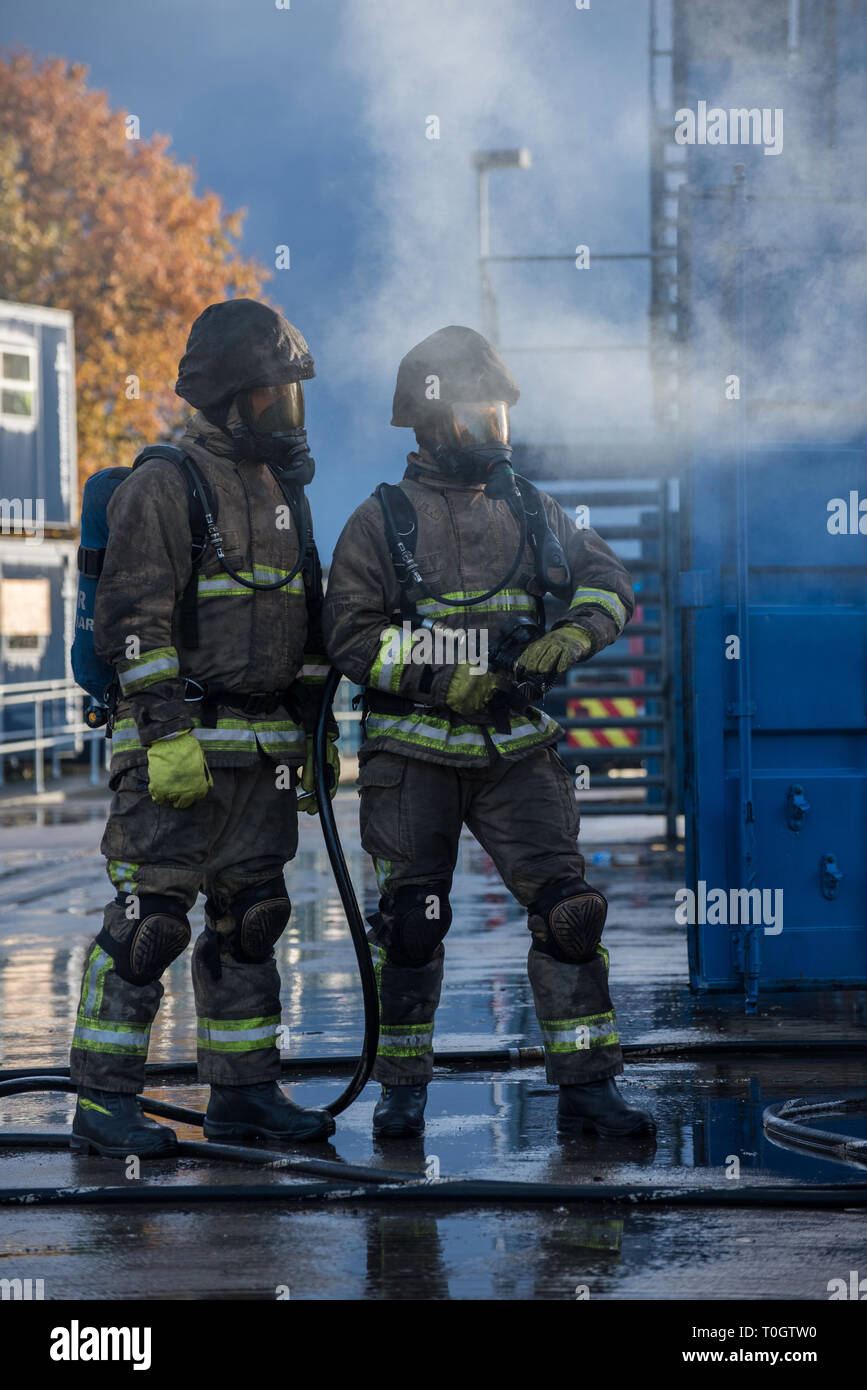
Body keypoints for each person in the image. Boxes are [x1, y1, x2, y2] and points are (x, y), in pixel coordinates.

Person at [323, 325, 655, 1141]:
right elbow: (350, 636)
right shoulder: (381, 519)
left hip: (516, 750)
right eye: (482, 416)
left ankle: (586, 1088)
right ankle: (402, 1092)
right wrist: (439, 675)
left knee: (569, 913)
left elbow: (609, 582)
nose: (496, 434)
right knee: (412, 924)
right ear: (435, 424)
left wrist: (574, 635)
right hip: (415, 754)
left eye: (501, 417)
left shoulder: (532, 510)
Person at [70, 298, 338, 1157]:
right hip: (175, 752)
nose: (288, 413)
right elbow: (133, 621)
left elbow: (307, 625)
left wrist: (315, 728)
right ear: (229, 397)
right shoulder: (164, 483)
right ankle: (103, 1106)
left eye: (293, 396)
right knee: (148, 924)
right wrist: (163, 732)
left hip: (261, 757)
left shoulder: (284, 493)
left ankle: (244, 1096)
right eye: (273, 396)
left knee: (252, 921)